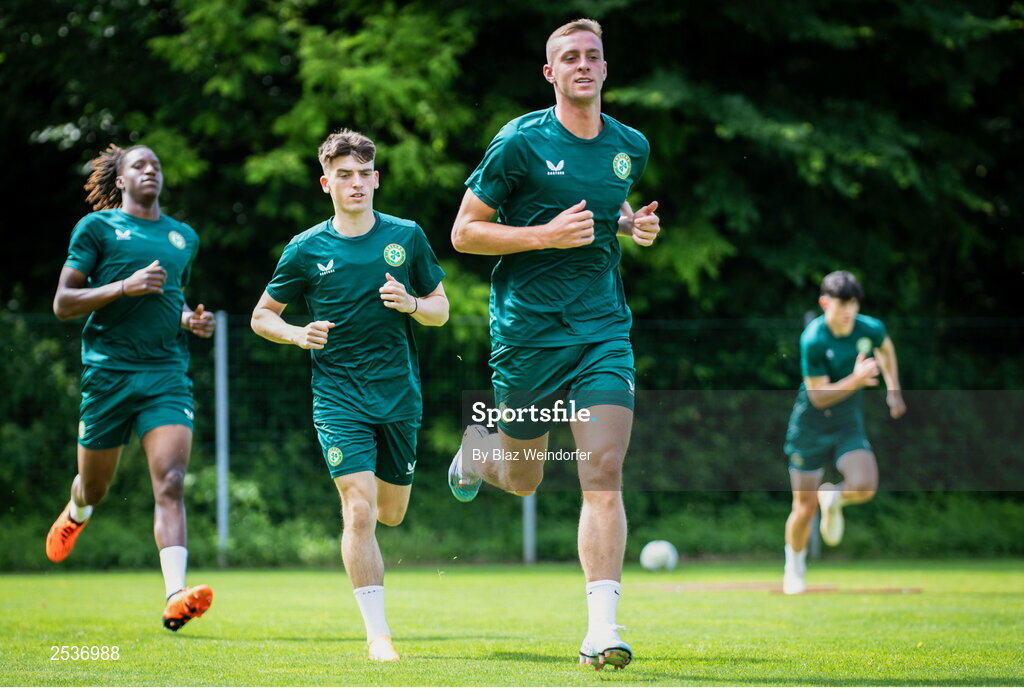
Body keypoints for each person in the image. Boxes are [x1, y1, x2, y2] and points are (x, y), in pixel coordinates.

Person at [447, 18, 661, 670]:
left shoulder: (630, 146)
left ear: (605, 67)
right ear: (550, 73)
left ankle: (602, 629)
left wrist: (629, 226)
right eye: (569, 57)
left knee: (602, 471)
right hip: (528, 336)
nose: (583, 64)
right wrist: (544, 237)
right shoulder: (519, 143)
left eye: (592, 55)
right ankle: (480, 450)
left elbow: (601, 208)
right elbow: (464, 233)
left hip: (602, 331)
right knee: (524, 477)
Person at [251, 129, 448, 662]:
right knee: (358, 511)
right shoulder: (306, 248)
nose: (356, 182)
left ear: (376, 179)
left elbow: (440, 309)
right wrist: (296, 333)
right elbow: (261, 315)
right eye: (344, 175)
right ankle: (378, 635)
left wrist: (409, 302)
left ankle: (459, 468)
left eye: (364, 174)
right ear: (326, 183)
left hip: (398, 397)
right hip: (338, 399)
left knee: (391, 514)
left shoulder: (406, 237)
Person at [47, 143, 217, 631]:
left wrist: (189, 320)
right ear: (120, 180)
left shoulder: (183, 237)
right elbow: (63, 302)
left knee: (171, 481)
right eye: (138, 166)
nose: (150, 172)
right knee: (96, 486)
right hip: (108, 373)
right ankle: (77, 509)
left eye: (156, 166)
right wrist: (124, 285)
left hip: (165, 374)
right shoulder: (96, 229)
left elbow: (167, 301)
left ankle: (174, 595)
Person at [782, 270, 906, 595]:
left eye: (852, 305)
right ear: (825, 303)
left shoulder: (870, 328)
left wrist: (893, 389)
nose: (848, 312)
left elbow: (887, 349)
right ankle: (794, 568)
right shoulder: (814, 338)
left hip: (847, 424)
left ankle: (833, 495)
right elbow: (818, 395)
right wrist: (856, 379)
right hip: (809, 426)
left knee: (865, 487)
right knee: (804, 508)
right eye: (841, 305)